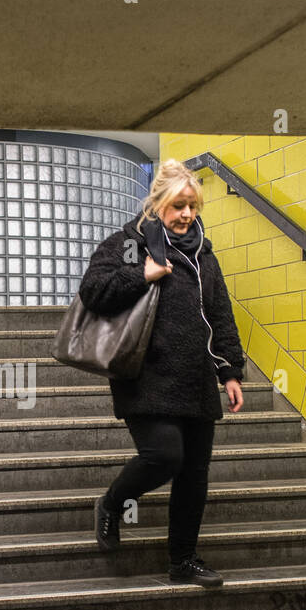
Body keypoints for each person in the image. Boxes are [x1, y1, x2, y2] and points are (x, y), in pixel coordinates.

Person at [77, 159, 246, 587]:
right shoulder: (130, 243)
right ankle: (112, 504)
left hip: (195, 378)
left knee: (194, 475)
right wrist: (142, 274)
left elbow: (220, 315)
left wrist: (230, 372)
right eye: (178, 205)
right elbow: (93, 290)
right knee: (165, 456)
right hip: (145, 374)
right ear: (158, 204)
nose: (187, 215)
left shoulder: (204, 255)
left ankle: (183, 561)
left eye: (193, 206)